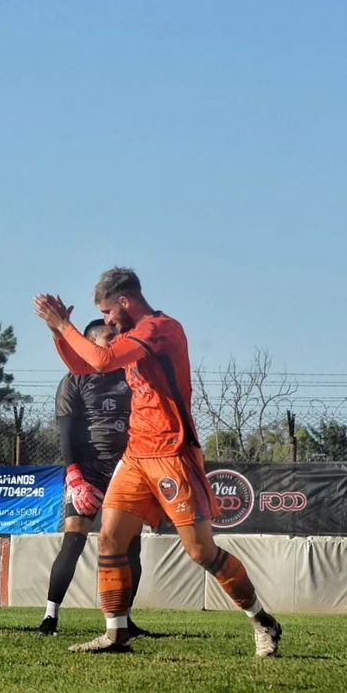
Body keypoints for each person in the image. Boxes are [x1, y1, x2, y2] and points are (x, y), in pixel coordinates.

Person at [34, 267, 282, 656]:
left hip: (172, 451)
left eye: (108, 311)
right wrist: (57, 331)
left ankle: (262, 621)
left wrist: (65, 324)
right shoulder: (129, 334)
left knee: (200, 551)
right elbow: (83, 365)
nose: (108, 320)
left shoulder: (161, 329)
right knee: (111, 539)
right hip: (136, 454)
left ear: (125, 301)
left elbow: (99, 360)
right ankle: (116, 633)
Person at [39, 319, 150, 639]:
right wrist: (75, 477)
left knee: (131, 548)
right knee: (74, 539)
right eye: (108, 338)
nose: (115, 342)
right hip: (87, 471)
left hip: (125, 469)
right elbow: (65, 433)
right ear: (88, 342)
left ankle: (123, 621)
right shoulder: (74, 379)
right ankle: (50, 616)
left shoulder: (130, 374)